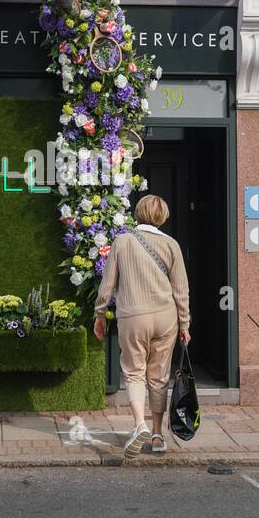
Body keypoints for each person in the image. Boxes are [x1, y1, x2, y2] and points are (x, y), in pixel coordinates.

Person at [93, 194, 190, 457]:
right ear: (162, 217)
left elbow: (108, 284)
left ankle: (139, 426)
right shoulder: (172, 245)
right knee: (158, 376)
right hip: (166, 316)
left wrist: (100, 313)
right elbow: (181, 290)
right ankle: (157, 435)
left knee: (134, 372)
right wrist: (185, 323)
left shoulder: (122, 242)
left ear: (138, 212)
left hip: (133, 316)